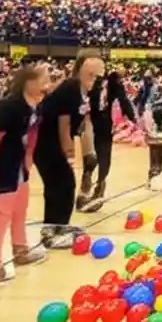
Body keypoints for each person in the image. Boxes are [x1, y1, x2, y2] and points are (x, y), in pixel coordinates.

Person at [0, 63, 49, 285]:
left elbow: (32, 134)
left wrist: (28, 159)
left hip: (18, 161)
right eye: (44, 79)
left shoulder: (36, 105)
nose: (48, 83)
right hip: (0, 162)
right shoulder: (9, 106)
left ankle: (20, 249)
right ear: (29, 82)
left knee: (19, 206)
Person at [35, 55, 103, 249]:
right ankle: (51, 229)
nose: (96, 77)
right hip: (47, 142)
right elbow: (63, 121)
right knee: (60, 184)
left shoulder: (84, 91)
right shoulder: (71, 88)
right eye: (92, 73)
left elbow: (80, 119)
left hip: (53, 142)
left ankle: (60, 225)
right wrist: (68, 151)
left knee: (63, 184)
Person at [77, 70, 135, 213]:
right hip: (91, 122)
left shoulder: (110, 85)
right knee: (96, 157)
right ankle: (91, 188)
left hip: (98, 123)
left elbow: (123, 101)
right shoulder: (92, 83)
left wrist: (132, 117)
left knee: (99, 156)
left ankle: (96, 187)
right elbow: (123, 101)